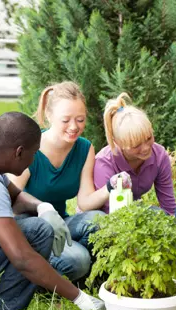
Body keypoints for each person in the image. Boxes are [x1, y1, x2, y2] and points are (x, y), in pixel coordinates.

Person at [0, 112, 104, 310]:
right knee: (36, 233)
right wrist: (80, 298)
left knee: (38, 227)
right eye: (33, 154)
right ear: (19, 152)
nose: (33, 161)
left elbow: (14, 194)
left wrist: (44, 207)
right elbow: (22, 258)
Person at [9, 82, 111, 283]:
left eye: (80, 120)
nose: (74, 127)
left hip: (60, 220)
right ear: (49, 116)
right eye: (66, 120)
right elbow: (9, 199)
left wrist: (110, 187)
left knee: (101, 221)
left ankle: (85, 277)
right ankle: (31, 279)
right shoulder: (31, 148)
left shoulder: (84, 148)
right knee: (79, 260)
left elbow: (85, 202)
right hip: (28, 227)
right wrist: (41, 210)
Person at [93, 93, 176, 215]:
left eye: (148, 138)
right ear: (117, 143)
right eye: (136, 145)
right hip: (101, 220)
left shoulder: (159, 155)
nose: (146, 148)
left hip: (132, 214)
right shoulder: (104, 163)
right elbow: (112, 213)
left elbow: (168, 204)